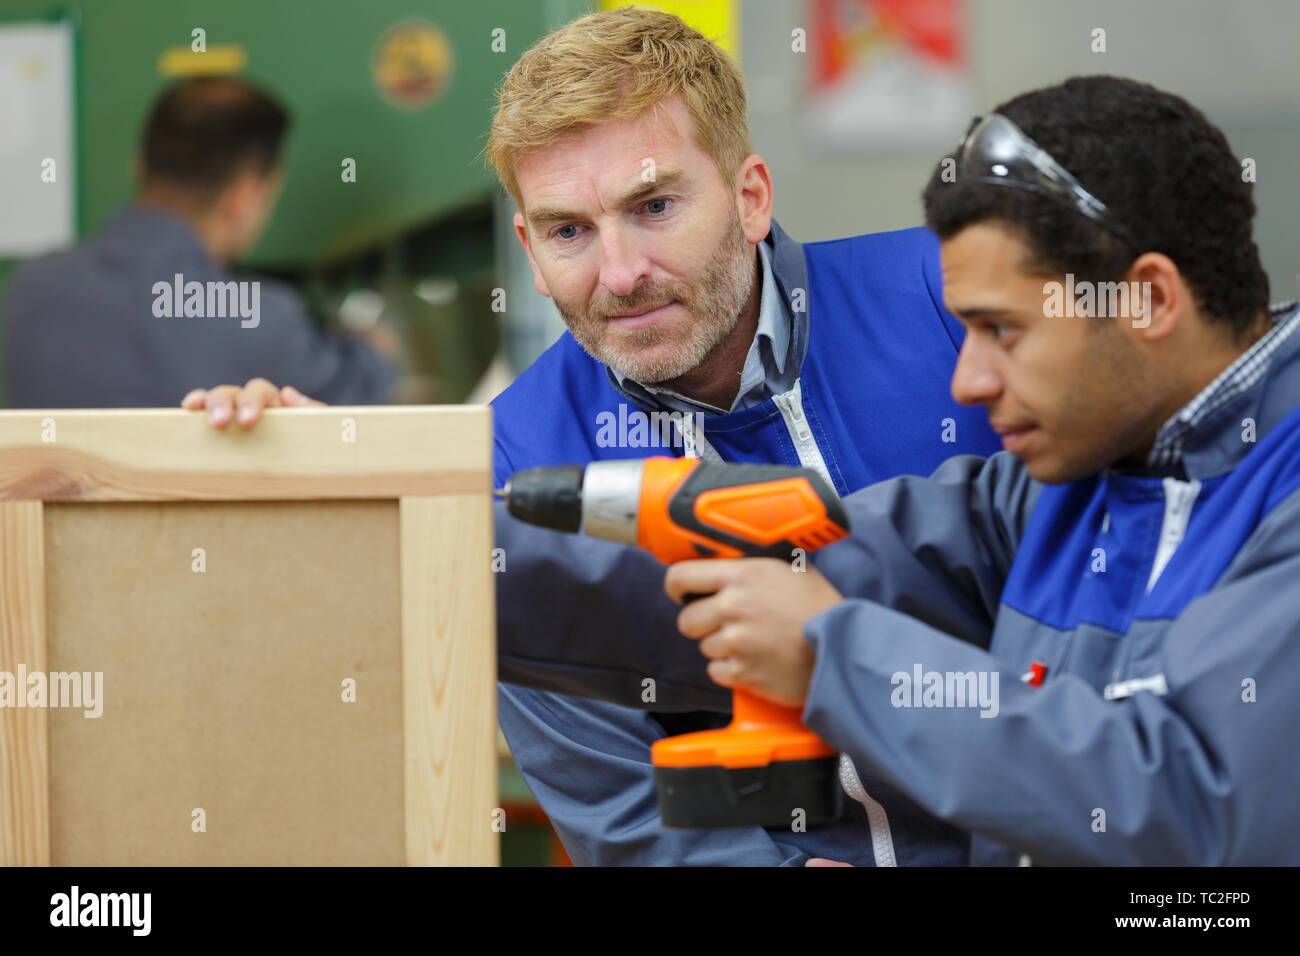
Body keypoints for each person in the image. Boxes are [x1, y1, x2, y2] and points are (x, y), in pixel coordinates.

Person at [182, 7, 1000, 866]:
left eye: (653, 206)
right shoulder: (515, 457)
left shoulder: (955, 309)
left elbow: (1088, 646)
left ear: (750, 197)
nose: (619, 274)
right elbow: (624, 806)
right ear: (530, 253)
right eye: (570, 230)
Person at [664, 75, 1300, 864]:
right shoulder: (1057, 492)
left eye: (1003, 329)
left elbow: (1194, 817)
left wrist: (836, 657)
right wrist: (497, 549)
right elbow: (801, 548)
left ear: (1148, 300)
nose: (967, 382)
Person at [3, 77, 393, 410]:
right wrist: (378, 345)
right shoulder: (260, 318)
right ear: (245, 197)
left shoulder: (29, 292)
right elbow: (365, 398)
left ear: (138, 165)